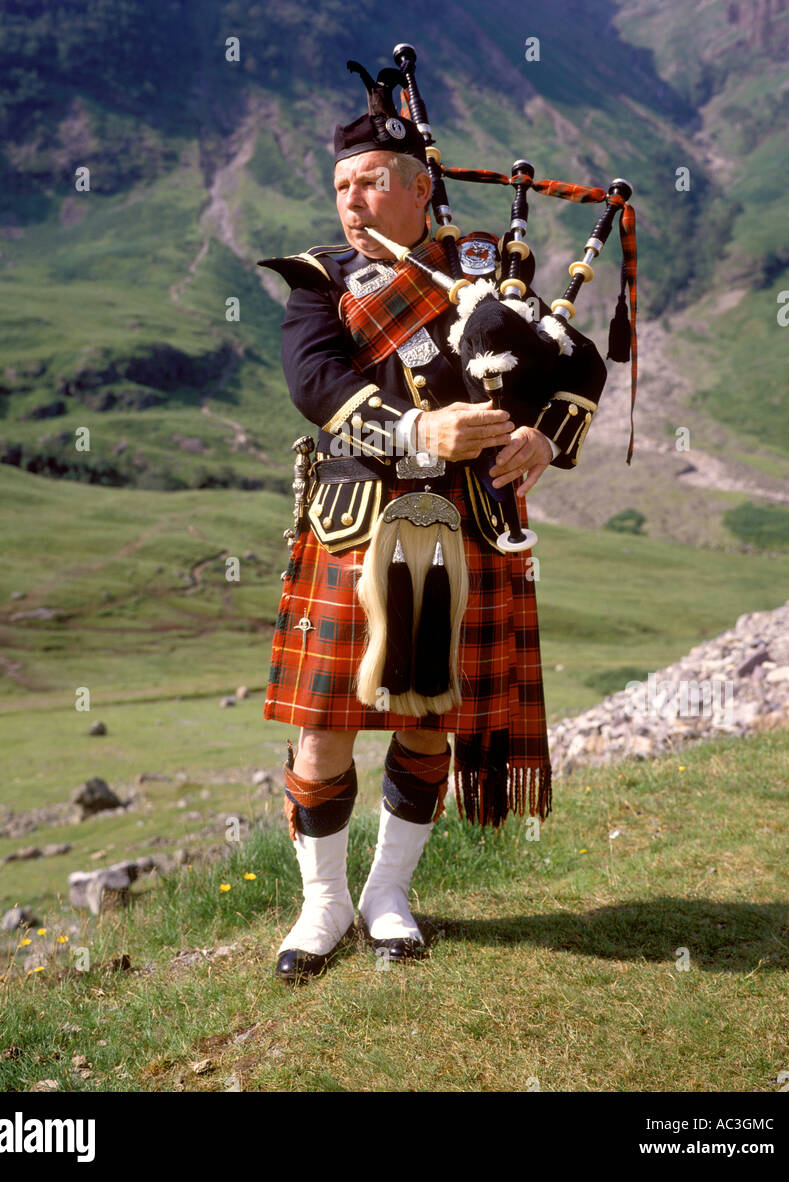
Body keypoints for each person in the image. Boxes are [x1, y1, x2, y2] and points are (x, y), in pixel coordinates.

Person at [257, 60, 607, 983]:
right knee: (327, 723)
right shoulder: (318, 280)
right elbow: (315, 385)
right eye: (340, 185)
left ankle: (387, 896)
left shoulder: (487, 271)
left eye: (370, 181)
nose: (352, 200)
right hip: (357, 521)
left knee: (429, 716)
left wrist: (543, 436)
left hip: (469, 519)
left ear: (420, 189)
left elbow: (576, 363)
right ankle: (323, 903)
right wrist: (420, 427)